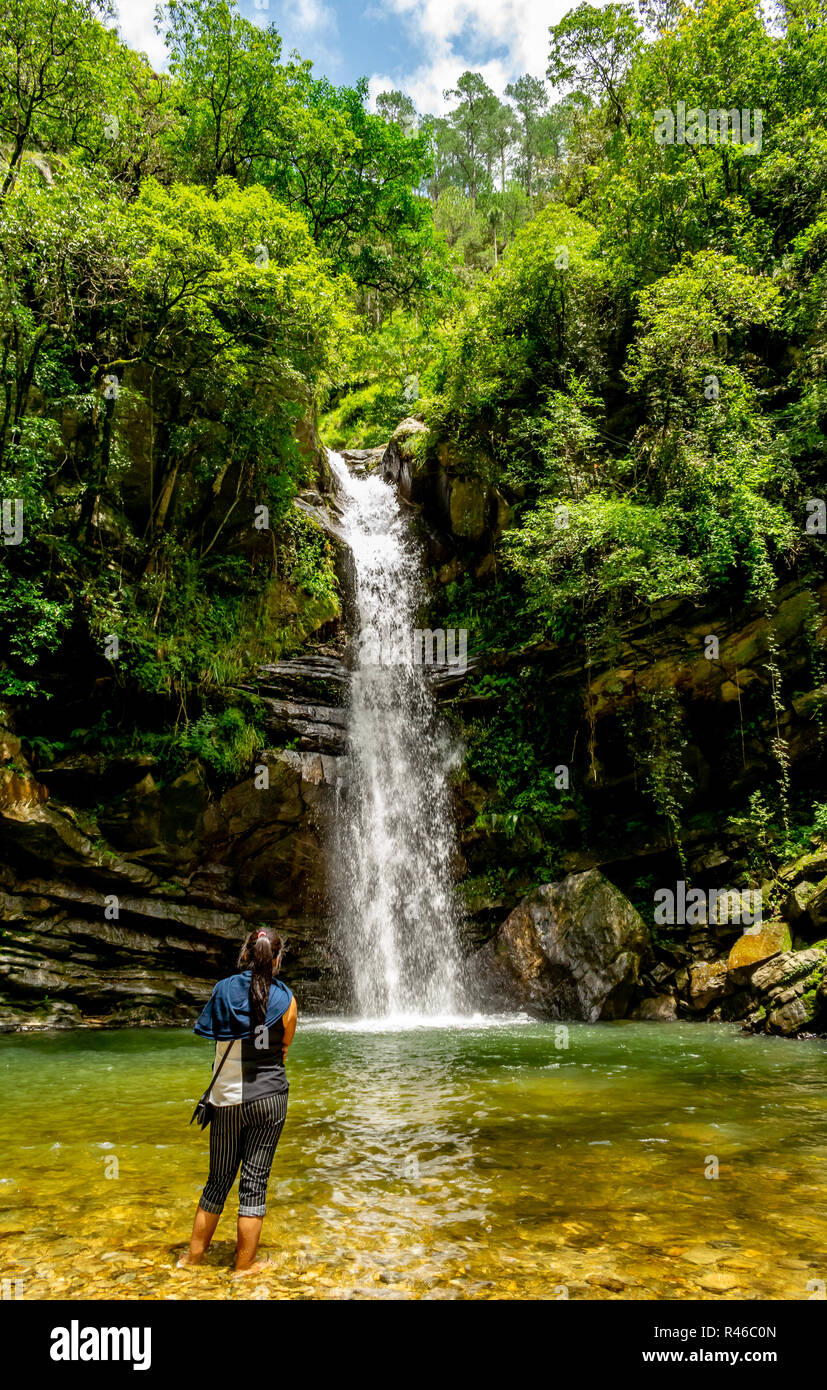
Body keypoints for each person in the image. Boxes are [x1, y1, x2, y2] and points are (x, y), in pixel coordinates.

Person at [179, 926, 297, 1276]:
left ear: (245, 955)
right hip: (270, 1098)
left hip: (227, 1098)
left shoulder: (222, 990)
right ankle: (243, 1267)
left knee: (217, 1181)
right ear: (276, 960)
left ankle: (192, 1260)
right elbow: (284, 1050)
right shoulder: (287, 999)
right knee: (255, 1183)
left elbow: (211, 1031)